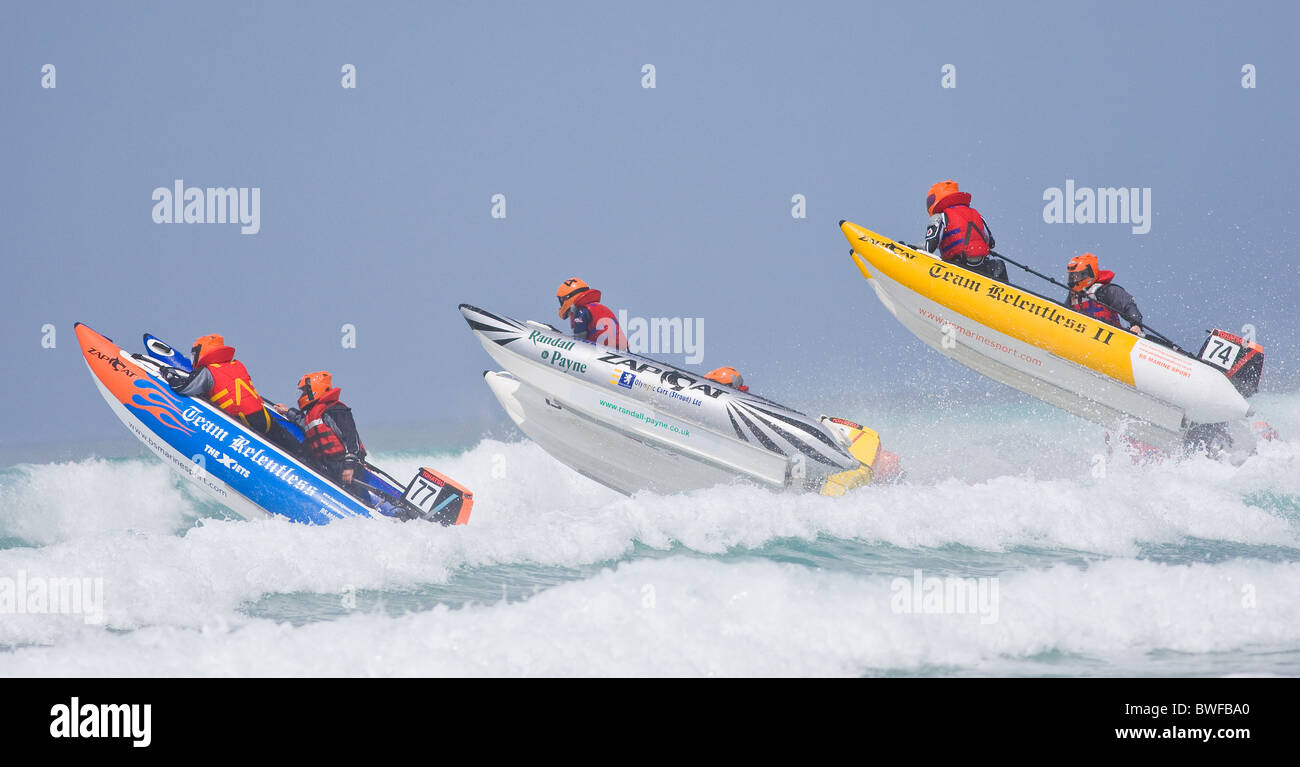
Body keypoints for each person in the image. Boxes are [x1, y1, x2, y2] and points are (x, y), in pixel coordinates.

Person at [166, 334, 296, 448]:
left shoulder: (207, 371)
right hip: (265, 418)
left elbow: (184, 388)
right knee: (289, 443)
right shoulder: (238, 365)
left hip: (243, 424)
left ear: (202, 352)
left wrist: (169, 376)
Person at [272, 371, 368, 495]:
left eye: (304, 392)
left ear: (314, 390)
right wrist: (288, 411)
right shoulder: (313, 414)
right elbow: (305, 424)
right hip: (327, 464)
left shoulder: (336, 410)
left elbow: (351, 437)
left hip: (344, 464)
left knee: (350, 492)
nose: (302, 395)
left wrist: (349, 466)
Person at [923, 180, 1008, 283]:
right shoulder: (977, 214)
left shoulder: (940, 217)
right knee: (998, 265)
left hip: (957, 269)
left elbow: (929, 247)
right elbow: (991, 243)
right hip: (982, 267)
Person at [1065, 253, 1144, 335]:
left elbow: (1128, 305)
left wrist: (1136, 325)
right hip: (1081, 333)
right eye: (1072, 276)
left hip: (1109, 337)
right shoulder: (1074, 296)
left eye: (1077, 276)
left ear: (1089, 274)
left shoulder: (1107, 290)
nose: (1074, 279)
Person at [556, 278, 627, 349]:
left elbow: (579, 340)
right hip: (623, 351)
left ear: (567, 298)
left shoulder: (581, 311)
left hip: (606, 352)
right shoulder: (600, 307)